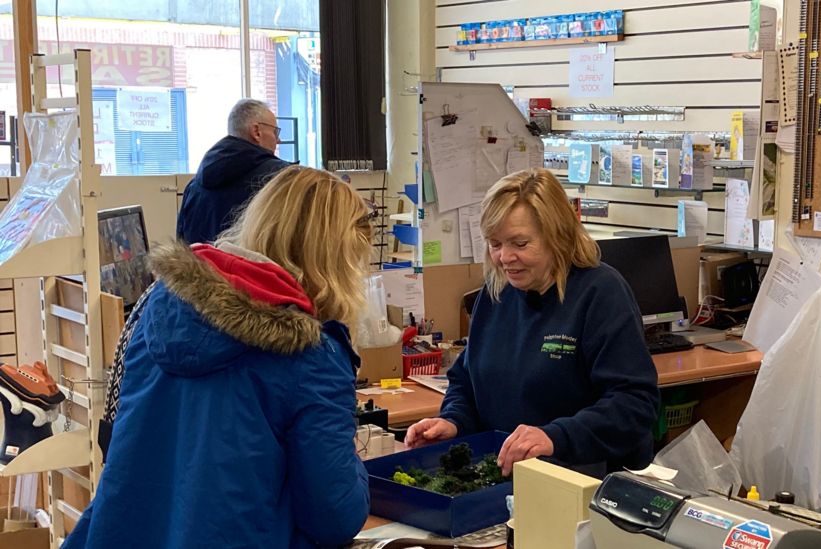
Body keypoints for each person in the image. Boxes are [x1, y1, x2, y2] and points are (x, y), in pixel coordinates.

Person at [65, 165, 373, 549]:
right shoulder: (311, 355)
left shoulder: (159, 307)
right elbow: (335, 516)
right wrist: (360, 469)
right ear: (335, 262)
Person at [405, 168, 660, 477]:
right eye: (495, 244)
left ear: (558, 236)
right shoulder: (496, 293)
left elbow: (634, 406)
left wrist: (554, 437)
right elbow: (466, 382)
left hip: (582, 479)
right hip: (504, 478)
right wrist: (453, 421)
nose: (504, 258)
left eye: (520, 244)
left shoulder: (600, 292)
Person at [176, 98, 291, 245]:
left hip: (200, 267)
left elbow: (182, 245)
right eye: (275, 132)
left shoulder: (194, 186)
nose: (278, 140)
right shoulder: (281, 178)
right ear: (256, 131)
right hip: (253, 268)